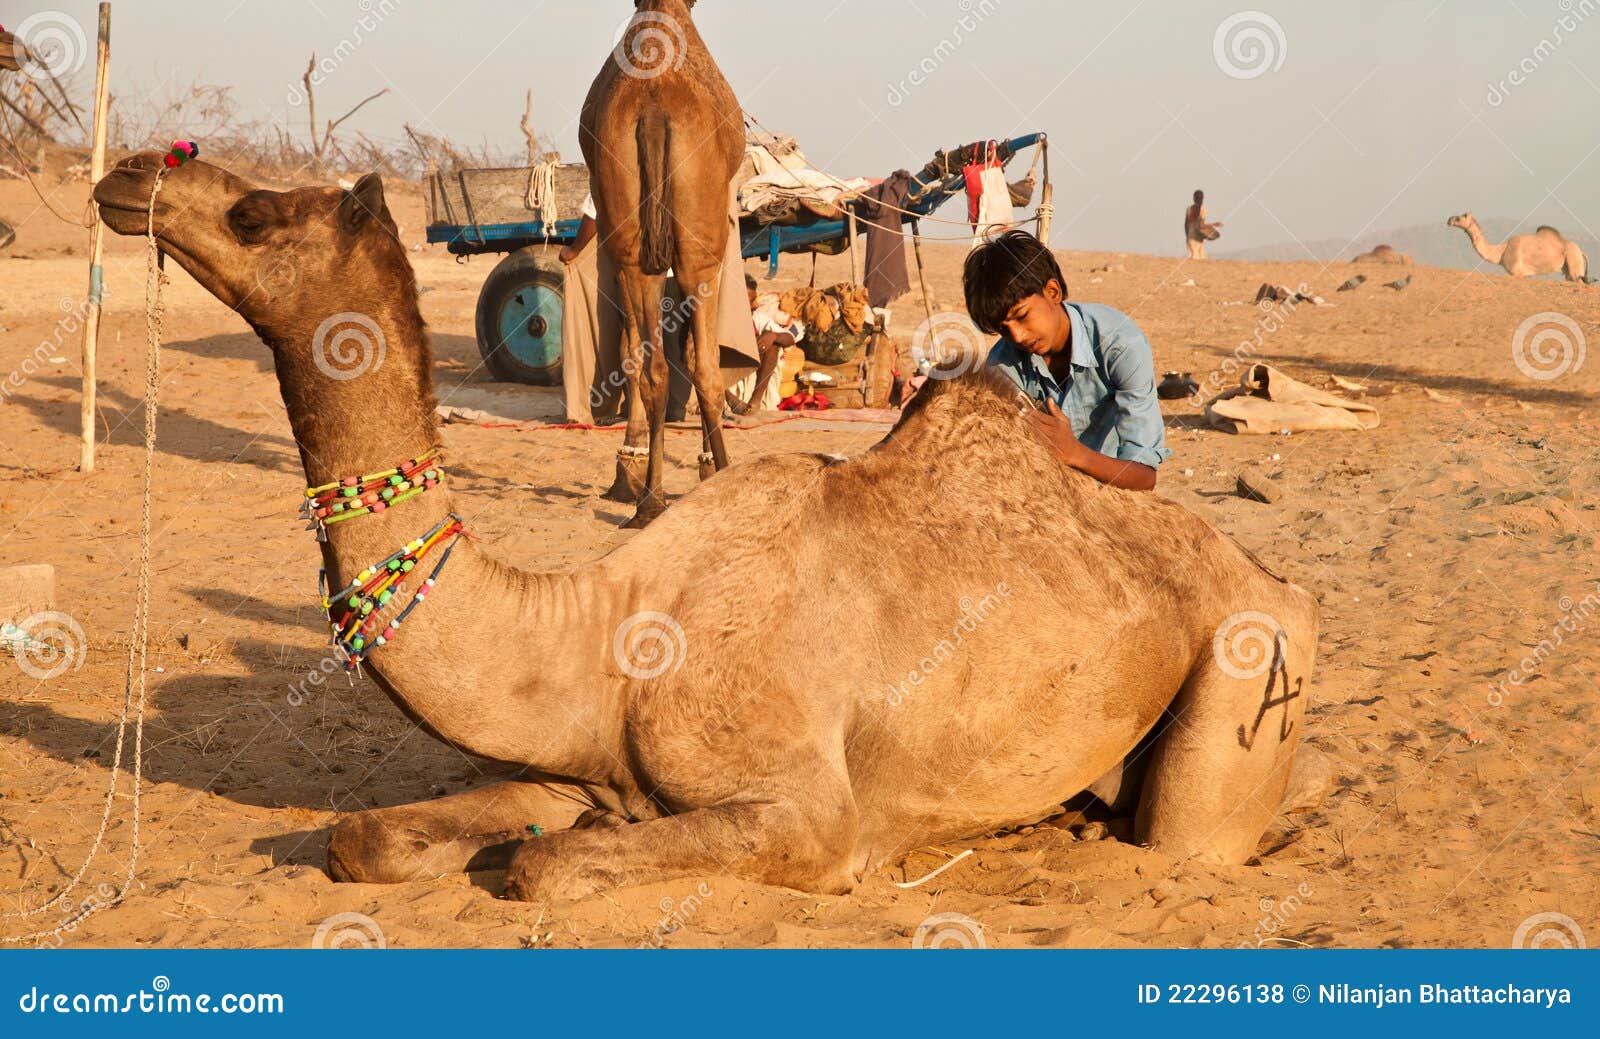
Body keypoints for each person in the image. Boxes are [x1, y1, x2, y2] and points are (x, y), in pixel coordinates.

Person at [965, 230, 1170, 491]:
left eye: (1022, 315)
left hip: (1117, 495)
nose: (1017, 335)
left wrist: (1074, 453)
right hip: (1047, 496)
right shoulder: (1003, 367)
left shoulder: (1119, 344)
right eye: (1004, 329)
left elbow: (1144, 478)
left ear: (1053, 291)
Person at [559, 190, 759, 424]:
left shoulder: (621, 167)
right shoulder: (681, 171)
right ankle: (674, 408)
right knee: (674, 342)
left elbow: (596, 206)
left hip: (636, 275)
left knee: (637, 340)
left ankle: (638, 408)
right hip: (676, 274)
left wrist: (574, 249)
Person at [1184, 189, 1221, 260]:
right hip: (1197, 237)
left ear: (1194, 198)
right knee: (1198, 259)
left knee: (1193, 258)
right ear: (1202, 199)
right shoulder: (1203, 210)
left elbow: (1186, 225)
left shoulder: (1189, 209)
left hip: (1190, 236)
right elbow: (1201, 226)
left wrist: (1187, 236)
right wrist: (1214, 224)